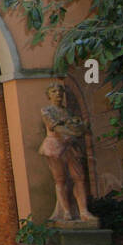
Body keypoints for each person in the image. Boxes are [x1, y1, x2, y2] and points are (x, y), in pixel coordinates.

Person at [39, 83, 95, 221]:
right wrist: (76, 131)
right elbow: (55, 127)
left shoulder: (68, 111)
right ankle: (66, 212)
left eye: (60, 91)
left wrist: (79, 129)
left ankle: (83, 211)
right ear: (49, 95)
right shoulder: (47, 111)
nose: (58, 94)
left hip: (70, 146)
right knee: (60, 179)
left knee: (79, 178)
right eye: (54, 91)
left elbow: (79, 126)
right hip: (54, 147)